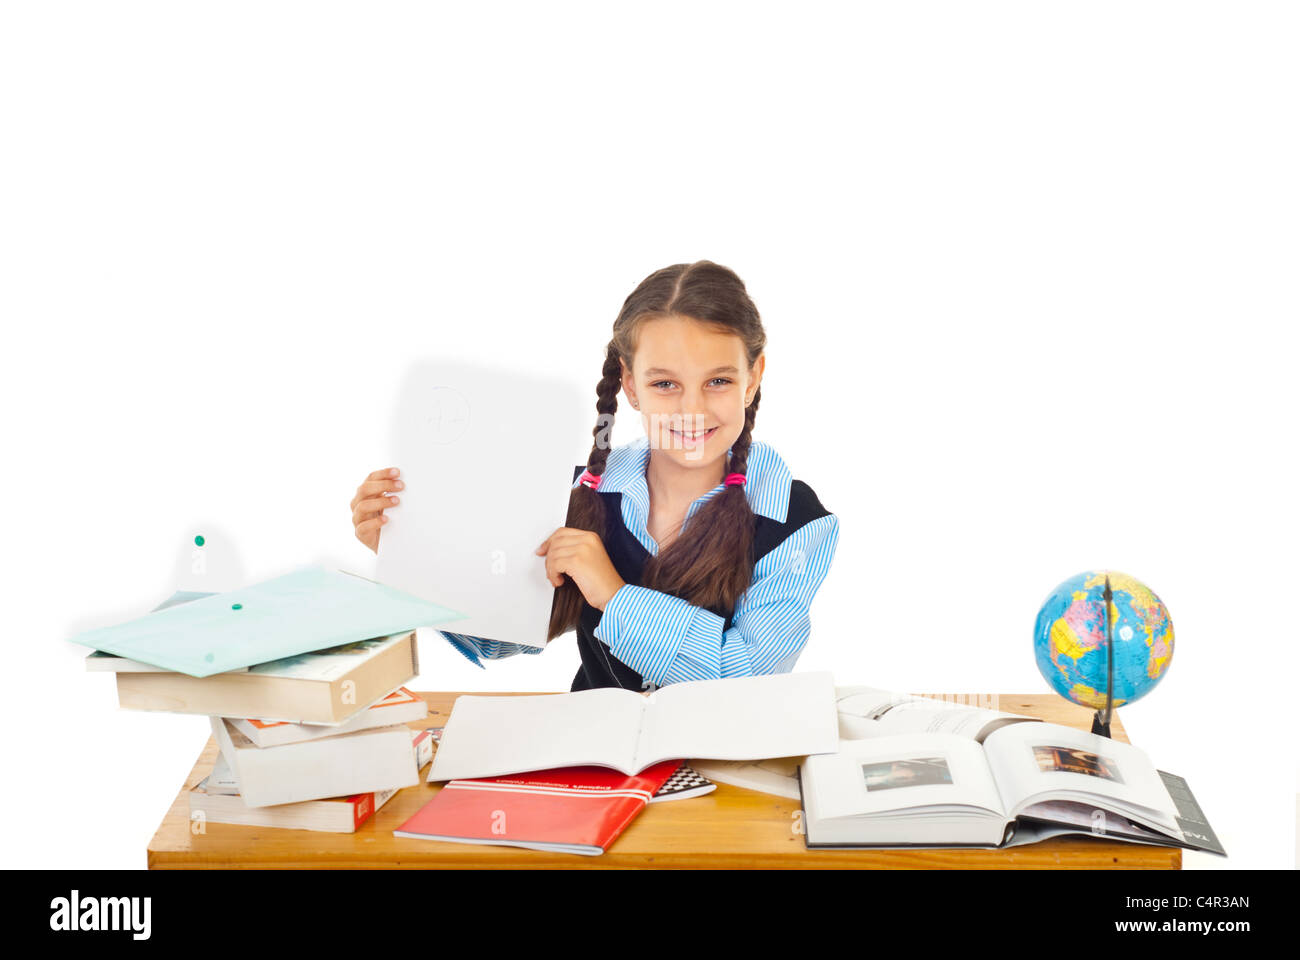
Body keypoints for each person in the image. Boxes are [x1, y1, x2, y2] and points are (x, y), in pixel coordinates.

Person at [350, 260, 840, 693]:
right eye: (664, 384)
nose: (692, 409)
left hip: (727, 771)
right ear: (630, 384)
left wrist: (613, 593)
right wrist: (409, 553)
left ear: (753, 377)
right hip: (597, 761)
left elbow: (748, 678)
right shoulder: (586, 494)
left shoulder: (794, 521)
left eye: (718, 381)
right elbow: (507, 637)